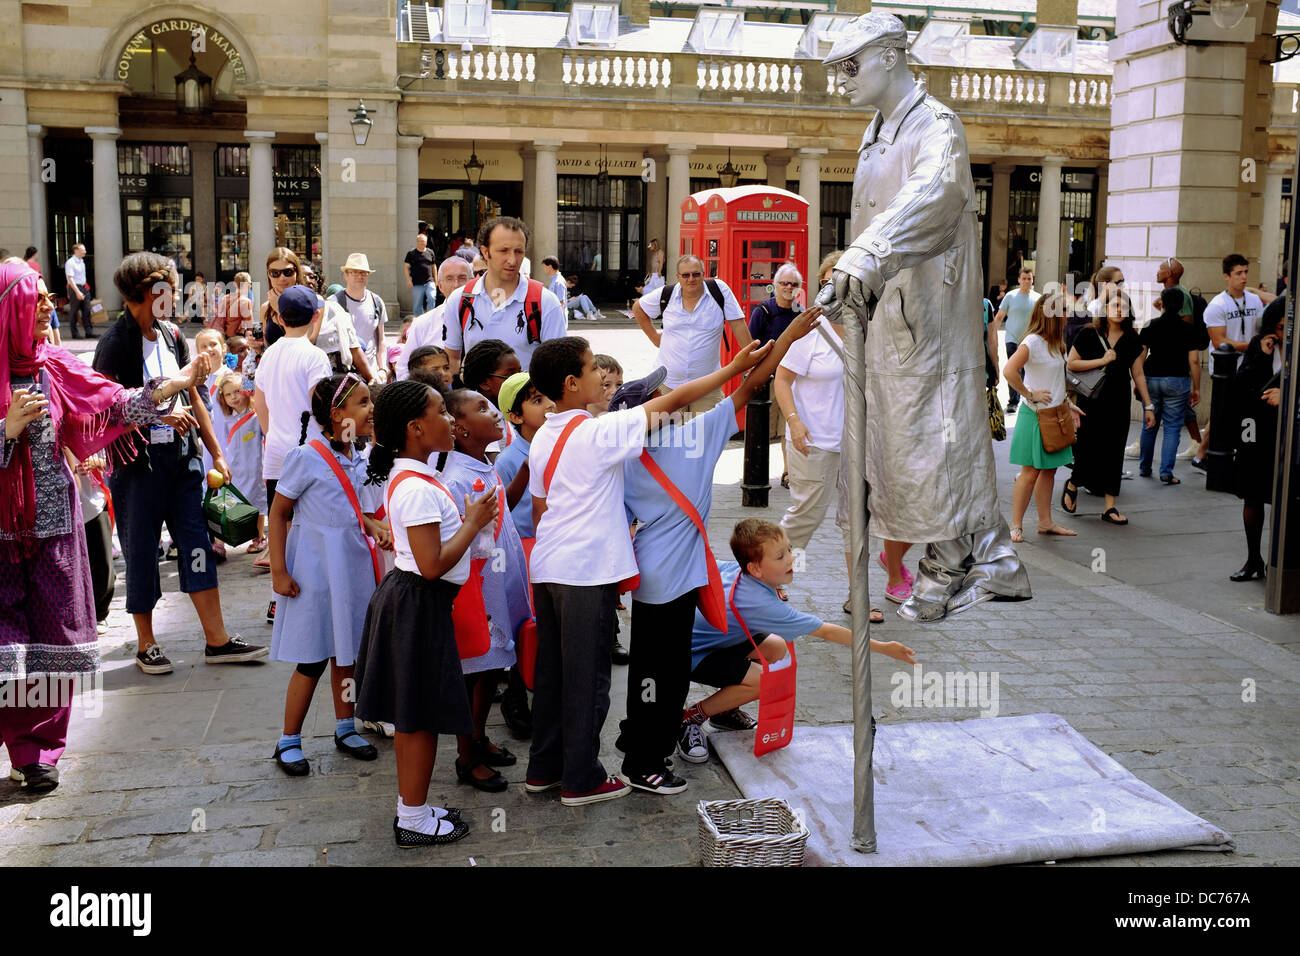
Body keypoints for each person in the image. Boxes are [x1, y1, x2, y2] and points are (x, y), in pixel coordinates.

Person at [816, 12, 1031, 622]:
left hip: (927, 320)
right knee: (896, 449)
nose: (842, 80)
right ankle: (960, 563)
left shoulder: (936, 125)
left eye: (850, 65)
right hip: (887, 316)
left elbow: (936, 192)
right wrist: (850, 275)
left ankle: (970, 563)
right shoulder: (876, 130)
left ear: (890, 54)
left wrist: (867, 255)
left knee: (935, 439)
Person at [524, 334, 771, 806]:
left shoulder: (549, 436)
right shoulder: (602, 434)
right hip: (586, 574)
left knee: (555, 675)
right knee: (591, 680)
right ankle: (583, 778)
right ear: (572, 383)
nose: (601, 375)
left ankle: (545, 767)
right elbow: (682, 399)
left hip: (550, 568)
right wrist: (733, 365)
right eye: (593, 368)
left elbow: (542, 509)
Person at [1, 263, 212, 791]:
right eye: (37, 299)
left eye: (51, 297)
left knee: (55, 644)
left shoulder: (53, 366)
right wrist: (7, 432)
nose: (49, 306)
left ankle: (37, 753)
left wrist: (176, 386)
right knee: (7, 653)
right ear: (9, 310)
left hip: (54, 529)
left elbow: (111, 401)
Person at [615, 306, 823, 790]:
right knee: (663, 677)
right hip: (675, 584)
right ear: (653, 411)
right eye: (659, 395)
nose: (669, 394)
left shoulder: (620, 454)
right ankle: (644, 761)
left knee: (653, 673)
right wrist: (788, 335)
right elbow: (751, 387)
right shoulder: (695, 438)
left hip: (651, 581)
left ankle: (641, 740)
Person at [91, 253, 267, 675]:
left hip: (183, 461)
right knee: (142, 551)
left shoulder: (171, 335)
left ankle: (217, 640)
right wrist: (158, 415)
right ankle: (146, 643)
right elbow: (108, 411)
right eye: (167, 289)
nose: (174, 297)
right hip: (138, 467)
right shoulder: (114, 345)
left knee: (197, 546)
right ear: (147, 293)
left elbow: (193, 396)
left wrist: (215, 449)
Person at [356, 380, 498, 847]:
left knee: (418, 714)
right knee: (416, 718)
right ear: (416, 428)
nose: (450, 421)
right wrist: (474, 521)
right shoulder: (416, 487)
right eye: (441, 412)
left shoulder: (417, 476)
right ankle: (412, 820)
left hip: (419, 602)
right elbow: (433, 564)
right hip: (418, 603)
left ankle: (413, 807)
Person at [680, 518, 915, 759]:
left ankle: (724, 712)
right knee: (763, 681)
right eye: (780, 556)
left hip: (707, 641)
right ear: (756, 569)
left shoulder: (736, 569)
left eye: (790, 550)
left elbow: (704, 565)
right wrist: (883, 647)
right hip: (689, 656)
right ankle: (690, 718)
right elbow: (826, 631)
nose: (791, 559)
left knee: (776, 647)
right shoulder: (762, 604)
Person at [269, 374, 390, 776]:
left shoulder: (359, 453)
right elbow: (279, 512)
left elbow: (355, 509)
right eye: (362, 402)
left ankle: (344, 725)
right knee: (311, 659)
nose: (371, 408)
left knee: (346, 652)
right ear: (338, 415)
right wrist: (279, 571)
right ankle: (288, 738)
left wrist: (374, 527)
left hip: (350, 566)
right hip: (315, 571)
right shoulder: (306, 456)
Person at [439, 389, 533, 791]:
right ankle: (465, 755)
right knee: (473, 672)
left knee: (492, 667)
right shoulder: (456, 477)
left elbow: (502, 511)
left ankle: (478, 736)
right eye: (481, 409)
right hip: (478, 588)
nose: (493, 412)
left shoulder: (483, 463)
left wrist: (528, 470)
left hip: (500, 580)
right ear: (459, 429)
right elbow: (464, 536)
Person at [774, 300, 890, 621]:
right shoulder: (810, 333)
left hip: (855, 442)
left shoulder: (867, 335)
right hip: (813, 440)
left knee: (857, 518)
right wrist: (795, 421)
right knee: (805, 516)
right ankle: (764, 582)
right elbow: (781, 380)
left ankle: (858, 597)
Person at [254, 285, 333, 613]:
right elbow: (321, 405)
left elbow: (260, 405)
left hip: (277, 453)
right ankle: (310, 595)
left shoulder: (269, 354)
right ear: (316, 316)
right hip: (311, 452)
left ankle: (277, 600)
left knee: (281, 523)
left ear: (278, 317)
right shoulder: (315, 356)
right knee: (313, 525)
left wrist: (275, 437)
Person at [1062, 287, 1155, 526]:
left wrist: (1148, 405)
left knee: (1114, 451)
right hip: (1091, 399)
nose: (1120, 311)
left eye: (1124, 307)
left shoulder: (1132, 338)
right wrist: (1102, 361)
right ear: (1105, 309)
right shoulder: (1088, 333)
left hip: (1118, 400)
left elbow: (1138, 374)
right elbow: (1071, 364)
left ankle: (1109, 507)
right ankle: (1073, 483)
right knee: (1087, 446)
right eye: (1115, 306)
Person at [632, 255, 753, 416]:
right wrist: (654, 337)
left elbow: (738, 324)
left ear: (703, 274)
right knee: (671, 439)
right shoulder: (666, 295)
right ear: (678, 277)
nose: (691, 279)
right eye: (686, 275)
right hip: (668, 386)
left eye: (696, 274)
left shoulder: (719, 291)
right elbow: (638, 308)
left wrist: (752, 359)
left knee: (705, 439)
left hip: (707, 388)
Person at [443, 217, 566, 375]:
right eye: (504, 251)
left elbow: (557, 366)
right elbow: (452, 359)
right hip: (475, 397)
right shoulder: (460, 299)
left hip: (528, 397)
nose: (512, 260)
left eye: (519, 251)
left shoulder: (545, 302)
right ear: (485, 252)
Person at [1003, 293, 1078, 542]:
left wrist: (1067, 404)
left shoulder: (1058, 343)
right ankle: (1015, 525)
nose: (1068, 314)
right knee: (1031, 472)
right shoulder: (1033, 342)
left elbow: (1057, 380)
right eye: (1064, 310)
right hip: (1034, 416)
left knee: (1049, 471)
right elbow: (1009, 370)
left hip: (1056, 415)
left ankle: (1045, 523)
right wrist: (1029, 394)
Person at [1227, 298, 1285, 582]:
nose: (1284, 332)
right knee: (1252, 495)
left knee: (1283, 500)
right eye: (1280, 326)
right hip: (1254, 430)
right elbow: (1241, 389)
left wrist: (1284, 398)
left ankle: (1281, 563)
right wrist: (1261, 355)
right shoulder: (1259, 346)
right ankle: (1253, 559)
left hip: (1286, 434)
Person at [1137, 287, 1202, 483]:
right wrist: (1196, 388)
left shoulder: (1150, 325)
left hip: (1151, 378)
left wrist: (1137, 382)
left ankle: (1145, 467)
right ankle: (1166, 472)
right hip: (1177, 379)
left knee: (1149, 424)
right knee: (1173, 427)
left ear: (1162, 304)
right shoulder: (1189, 330)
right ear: (1182, 306)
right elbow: (1194, 361)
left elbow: (1141, 356)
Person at [749, 262, 803, 483]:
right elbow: (751, 345)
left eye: (794, 283)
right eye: (784, 283)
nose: (789, 287)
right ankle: (756, 473)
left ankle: (788, 472)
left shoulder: (801, 313)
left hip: (793, 377)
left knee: (786, 427)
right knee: (762, 426)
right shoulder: (762, 311)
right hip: (768, 377)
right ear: (775, 285)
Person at [213, 370, 268, 553]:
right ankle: (219, 544)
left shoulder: (256, 415)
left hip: (254, 468)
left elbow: (260, 391)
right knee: (227, 503)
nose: (233, 397)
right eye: (228, 394)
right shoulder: (224, 419)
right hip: (232, 469)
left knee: (257, 503)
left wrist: (248, 384)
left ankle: (259, 537)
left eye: (237, 391)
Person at [398, 256, 473, 380]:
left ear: (472, 282)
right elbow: (404, 368)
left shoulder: (487, 319)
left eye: (462, 278)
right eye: (449, 279)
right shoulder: (422, 323)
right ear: (439, 285)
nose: (456, 285)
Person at [330, 253, 387, 381]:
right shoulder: (334, 303)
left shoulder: (376, 302)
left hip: (372, 373)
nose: (359, 276)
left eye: (364, 273)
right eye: (354, 272)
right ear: (346, 275)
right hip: (345, 374)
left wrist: (382, 368)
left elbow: (380, 339)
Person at [993, 268, 1040, 414]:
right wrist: (991, 335)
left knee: (1028, 371)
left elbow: (1041, 320)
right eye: (1024, 278)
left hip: (1030, 341)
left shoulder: (1038, 298)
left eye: (1029, 278)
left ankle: (1028, 399)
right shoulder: (1010, 296)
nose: (1026, 281)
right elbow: (999, 317)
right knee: (1014, 370)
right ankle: (1013, 401)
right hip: (1012, 339)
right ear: (1019, 280)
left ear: (1033, 280)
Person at [259, 248, 305, 348]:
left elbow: (307, 340)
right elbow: (267, 347)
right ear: (269, 275)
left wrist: (279, 309)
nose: (282, 278)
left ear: (296, 272)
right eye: (275, 273)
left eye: (288, 272)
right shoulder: (265, 308)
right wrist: (257, 346)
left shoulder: (312, 302)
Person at [63, 243, 94, 338]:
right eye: (82, 250)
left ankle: (89, 332)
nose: (85, 252)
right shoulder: (70, 262)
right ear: (76, 250)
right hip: (74, 287)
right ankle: (74, 333)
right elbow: (70, 278)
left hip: (84, 287)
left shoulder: (82, 262)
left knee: (87, 310)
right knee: (74, 311)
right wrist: (77, 292)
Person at [404, 233, 437, 317]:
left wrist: (436, 280)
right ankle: (419, 321)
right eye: (420, 241)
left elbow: (434, 267)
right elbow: (406, 267)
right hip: (417, 282)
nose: (422, 243)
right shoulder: (411, 253)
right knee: (417, 304)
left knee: (432, 297)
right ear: (417, 242)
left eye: (424, 241)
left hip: (429, 281)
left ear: (426, 242)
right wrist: (408, 280)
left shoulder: (430, 252)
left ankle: (429, 317)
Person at [216, 272, 255, 339]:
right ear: (248, 285)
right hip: (236, 338)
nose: (251, 286)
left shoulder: (224, 298)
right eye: (250, 283)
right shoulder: (245, 301)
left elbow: (219, 319)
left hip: (222, 336)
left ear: (234, 284)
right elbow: (250, 325)